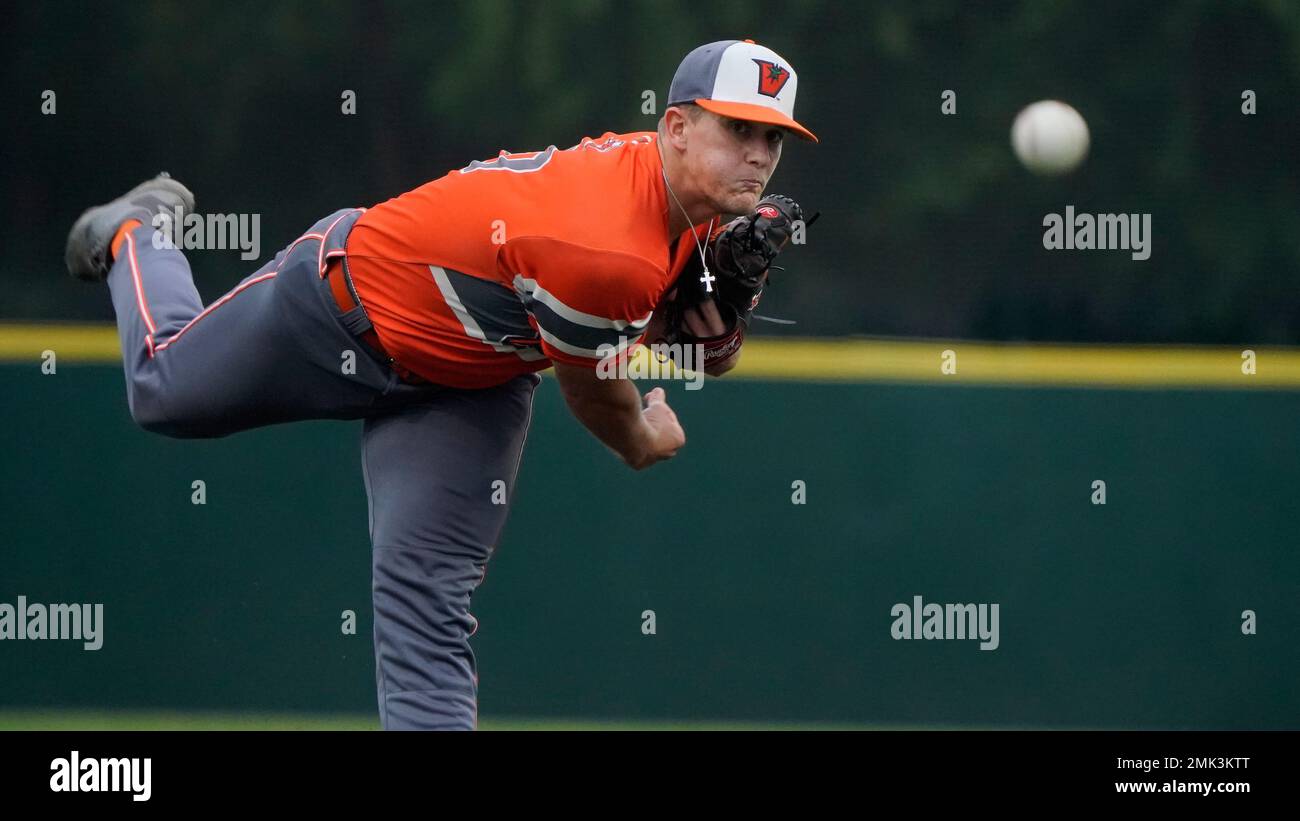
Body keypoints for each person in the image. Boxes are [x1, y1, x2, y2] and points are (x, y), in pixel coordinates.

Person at [63, 39, 817, 730]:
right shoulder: (607, 246)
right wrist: (647, 436)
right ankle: (139, 230)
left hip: (472, 382)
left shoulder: (683, 205)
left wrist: (688, 332)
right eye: (737, 129)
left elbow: (664, 328)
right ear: (677, 127)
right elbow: (596, 391)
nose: (758, 155)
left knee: (427, 601)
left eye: (772, 138)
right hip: (338, 308)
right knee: (162, 387)